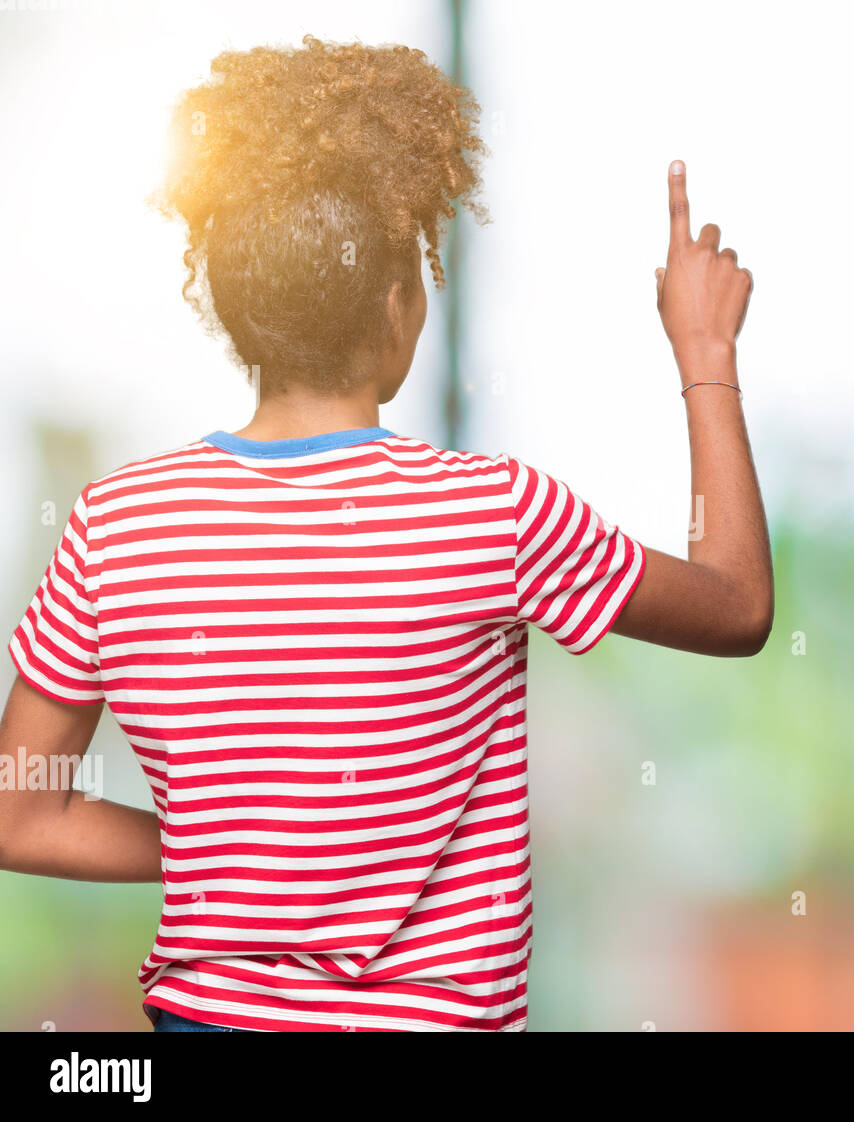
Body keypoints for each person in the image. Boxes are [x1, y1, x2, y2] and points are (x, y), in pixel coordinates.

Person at [0, 36, 771, 1032]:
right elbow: (738, 605)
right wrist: (705, 352)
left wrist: (233, 847)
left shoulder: (115, 526)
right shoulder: (494, 513)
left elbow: (21, 814)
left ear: (232, 308)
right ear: (403, 302)